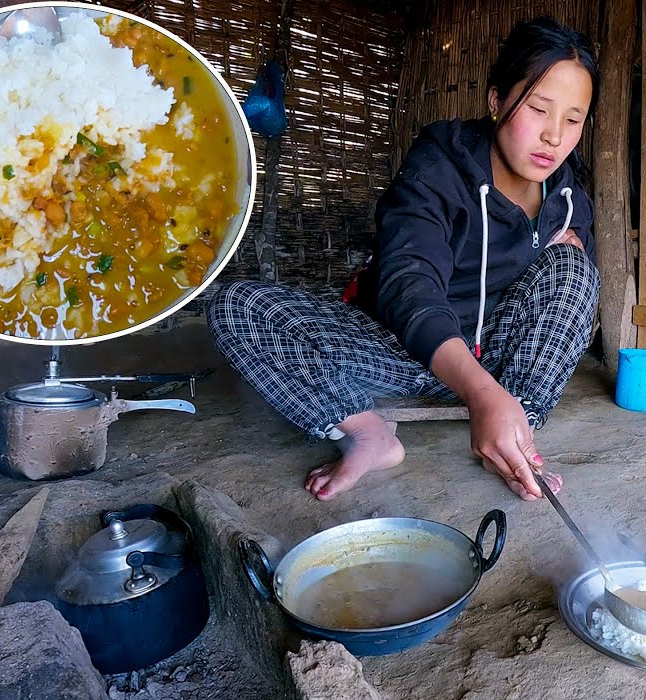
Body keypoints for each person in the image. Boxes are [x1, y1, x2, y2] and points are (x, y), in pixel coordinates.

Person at [208, 17, 601, 503]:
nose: (554, 136)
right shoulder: (439, 167)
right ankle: (369, 434)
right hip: (397, 350)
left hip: (497, 363)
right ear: (496, 99)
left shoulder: (567, 198)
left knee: (574, 269)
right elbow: (409, 285)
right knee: (238, 307)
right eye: (538, 109)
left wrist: (568, 270)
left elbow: (562, 316)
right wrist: (479, 392)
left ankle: (513, 438)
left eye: (573, 119)